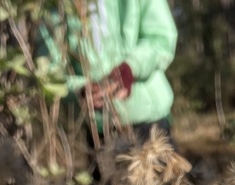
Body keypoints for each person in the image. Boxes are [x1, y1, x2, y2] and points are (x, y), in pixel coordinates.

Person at [42, 0, 177, 143]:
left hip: (151, 121)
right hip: (98, 130)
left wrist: (132, 67)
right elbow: (48, 70)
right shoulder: (51, 6)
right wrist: (80, 89)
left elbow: (161, 38)